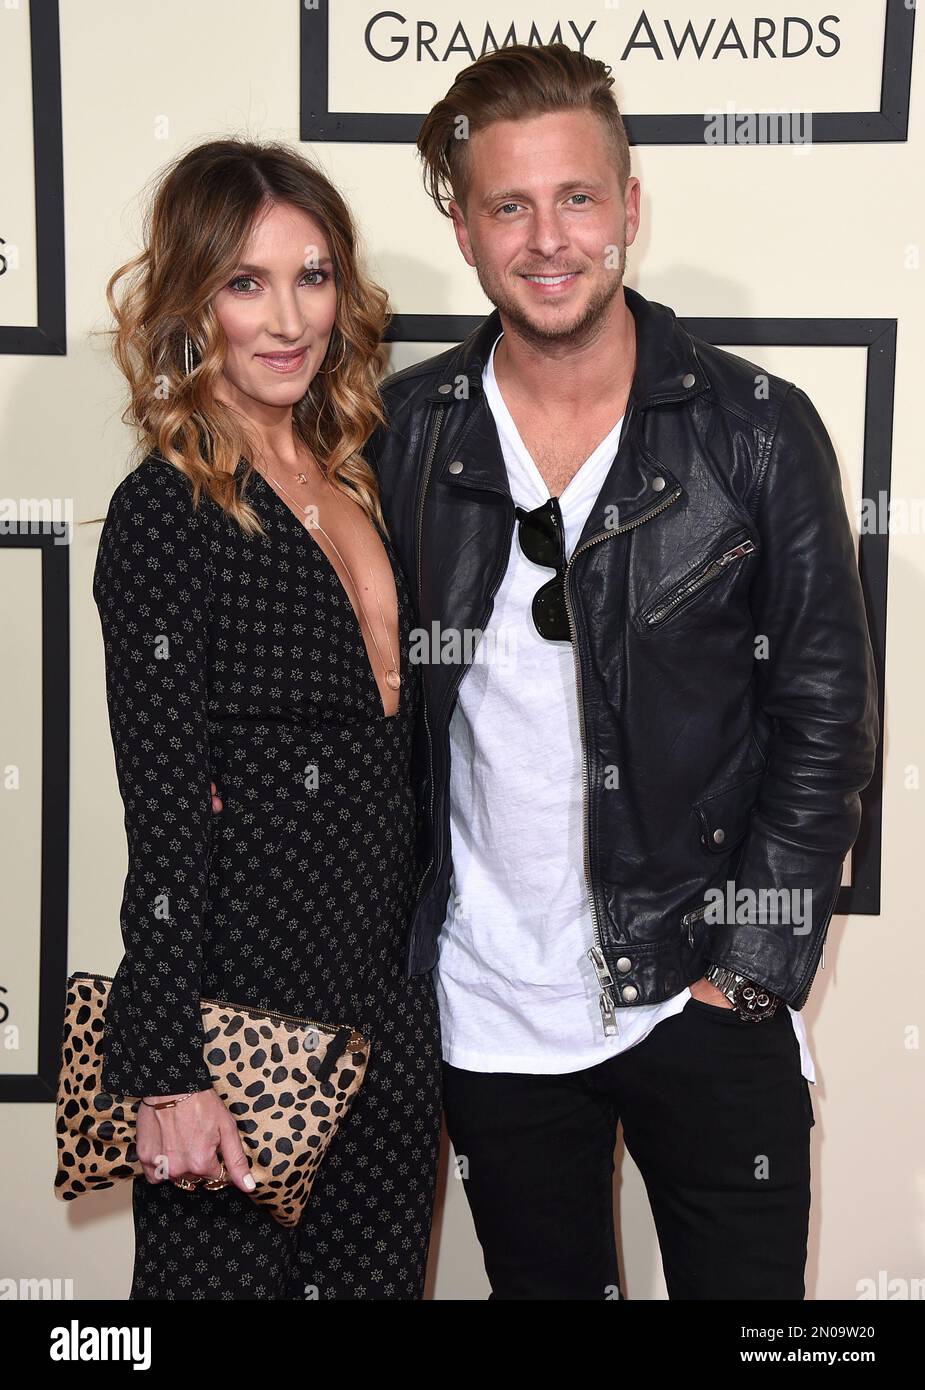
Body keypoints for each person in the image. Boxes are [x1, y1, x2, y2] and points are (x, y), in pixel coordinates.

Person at [366, 43, 879, 1298]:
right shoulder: (405, 436)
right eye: (510, 205)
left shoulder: (756, 430)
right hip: (490, 1014)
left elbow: (823, 718)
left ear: (630, 208)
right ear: (466, 227)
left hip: (703, 997)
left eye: (578, 198)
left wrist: (746, 978)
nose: (550, 239)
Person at [92, 138, 442, 1300]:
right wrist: (166, 1064)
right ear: (194, 300)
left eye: (313, 274)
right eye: (247, 282)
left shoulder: (358, 476)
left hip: (388, 1014)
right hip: (239, 1019)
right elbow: (165, 813)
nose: (289, 318)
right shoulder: (165, 512)